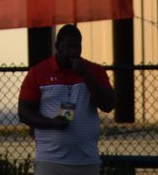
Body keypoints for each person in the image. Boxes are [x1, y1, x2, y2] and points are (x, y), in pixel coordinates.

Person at [18, 23, 115, 175]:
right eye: (68, 47)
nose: (73, 52)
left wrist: (86, 75)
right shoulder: (38, 72)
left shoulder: (94, 71)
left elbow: (108, 104)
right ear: (57, 46)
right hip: (50, 161)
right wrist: (51, 122)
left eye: (77, 47)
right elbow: (24, 112)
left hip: (86, 160)